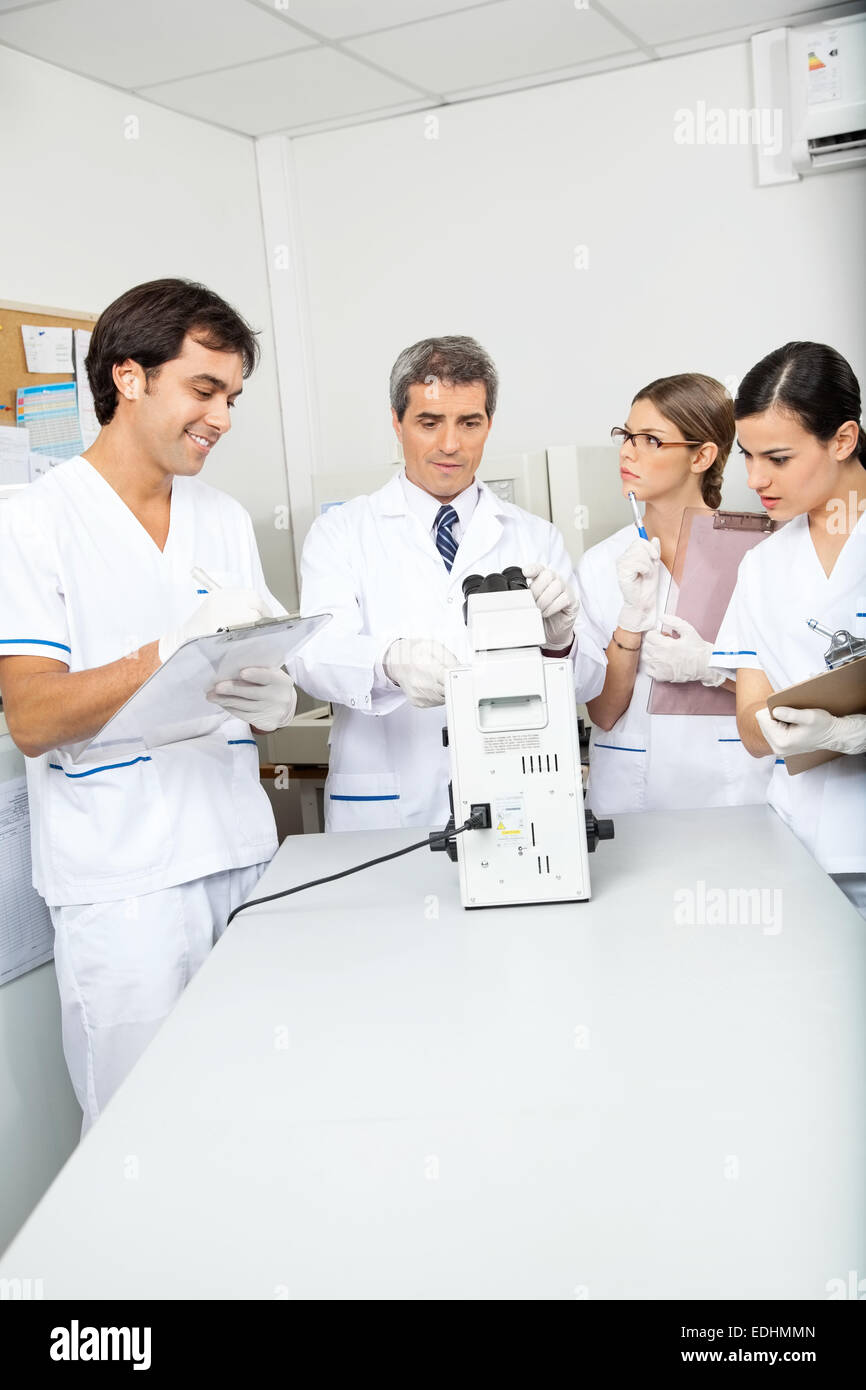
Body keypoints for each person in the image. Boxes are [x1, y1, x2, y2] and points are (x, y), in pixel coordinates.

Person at [0, 278, 298, 1131]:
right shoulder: (34, 523)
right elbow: (33, 716)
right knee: (139, 1129)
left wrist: (268, 693)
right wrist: (164, 653)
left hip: (237, 850)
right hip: (124, 880)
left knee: (250, 1107)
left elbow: (245, 656)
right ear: (129, 377)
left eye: (233, 396)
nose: (223, 418)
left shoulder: (224, 518)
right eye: (204, 390)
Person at [290, 335, 600, 830]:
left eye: (469, 423)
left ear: (489, 425)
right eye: (429, 423)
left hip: (511, 790)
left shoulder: (534, 537)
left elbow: (586, 685)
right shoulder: (342, 532)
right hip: (384, 806)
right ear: (397, 423)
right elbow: (311, 658)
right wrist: (388, 662)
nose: (450, 444)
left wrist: (562, 644)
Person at [709, 342, 866, 917]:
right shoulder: (764, 564)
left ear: (843, 440)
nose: (755, 479)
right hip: (801, 850)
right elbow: (751, 729)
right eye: (747, 457)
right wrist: (788, 730)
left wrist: (852, 734)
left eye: (778, 458)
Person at [574, 373, 775, 813]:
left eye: (650, 439)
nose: (627, 450)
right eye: (625, 435)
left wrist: (713, 668)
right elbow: (604, 713)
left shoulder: (759, 554)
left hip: (734, 790)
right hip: (632, 798)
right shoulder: (600, 564)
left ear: (702, 455)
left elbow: (791, 695)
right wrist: (630, 622)